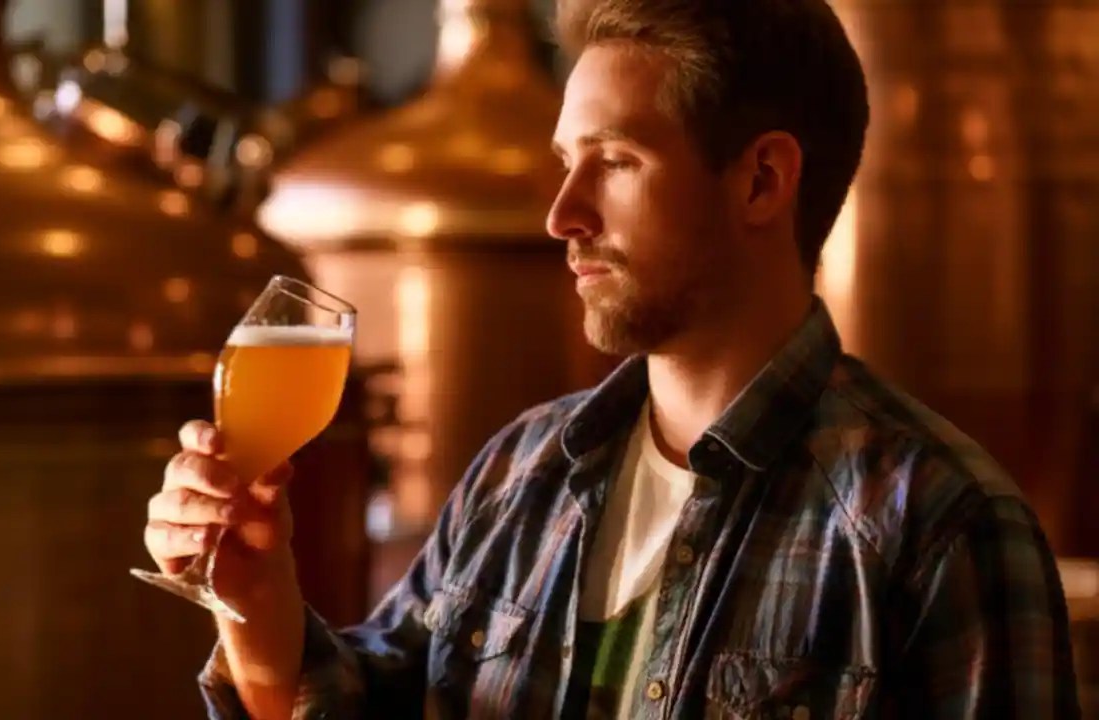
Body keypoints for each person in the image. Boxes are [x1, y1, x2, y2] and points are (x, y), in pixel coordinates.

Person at [143, 1, 1081, 717]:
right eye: (564, 160)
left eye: (616, 160)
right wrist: (256, 607)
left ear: (762, 180)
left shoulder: (941, 525)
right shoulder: (522, 471)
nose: (563, 214)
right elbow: (379, 697)